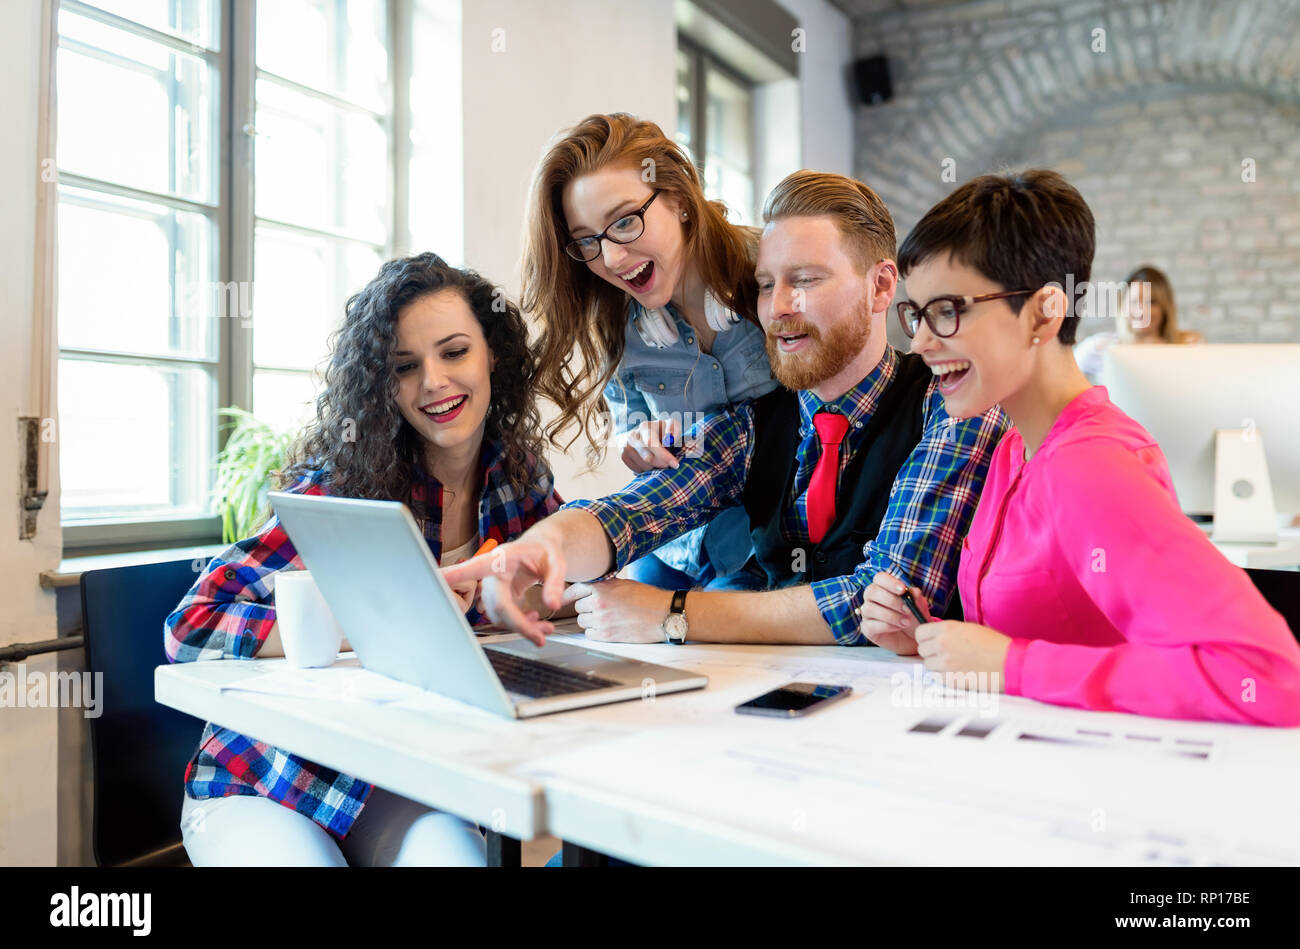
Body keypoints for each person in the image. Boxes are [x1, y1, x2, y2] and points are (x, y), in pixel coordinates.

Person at [445, 170, 1008, 650]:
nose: (779, 308)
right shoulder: (753, 422)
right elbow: (638, 510)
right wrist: (541, 547)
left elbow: (891, 597)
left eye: (805, 280)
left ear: (881, 286)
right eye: (766, 285)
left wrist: (673, 613)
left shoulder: (952, 402)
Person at [164, 253, 565, 865]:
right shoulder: (341, 487)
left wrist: (513, 599)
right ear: (384, 387)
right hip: (266, 777)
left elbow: (573, 591)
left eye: (454, 352)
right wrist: (379, 621)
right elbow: (190, 628)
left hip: (396, 778)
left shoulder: (518, 479)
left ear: (494, 357)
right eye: (406, 366)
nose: (433, 381)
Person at [862, 169, 1300, 726]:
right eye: (916, 314)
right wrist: (928, 635)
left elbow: (1268, 677)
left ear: (1044, 311)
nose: (921, 341)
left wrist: (1009, 666)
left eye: (948, 311)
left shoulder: (1088, 465)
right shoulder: (1013, 450)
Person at [522, 112, 779, 593]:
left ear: (680, 199)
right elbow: (628, 430)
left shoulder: (769, 273)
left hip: (769, 549)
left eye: (624, 222)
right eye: (586, 241)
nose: (613, 259)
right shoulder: (616, 324)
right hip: (674, 546)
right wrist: (636, 443)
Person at [1074, 264, 1203, 381]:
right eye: (1134, 301)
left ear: (1165, 307)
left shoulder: (1188, 345)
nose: (1141, 311)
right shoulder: (1100, 347)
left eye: (1151, 302)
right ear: (1122, 305)